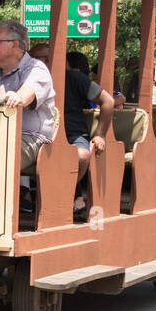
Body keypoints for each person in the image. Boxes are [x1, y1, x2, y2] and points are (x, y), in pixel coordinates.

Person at [0, 18, 57, 171]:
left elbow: (25, 96)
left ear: (15, 44)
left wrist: (17, 97)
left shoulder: (37, 68)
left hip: (30, 137)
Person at [62, 52, 114, 214]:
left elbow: (109, 101)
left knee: (81, 155)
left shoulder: (73, 77)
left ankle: (66, 194)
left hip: (73, 134)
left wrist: (100, 134)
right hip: (42, 135)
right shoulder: (31, 77)